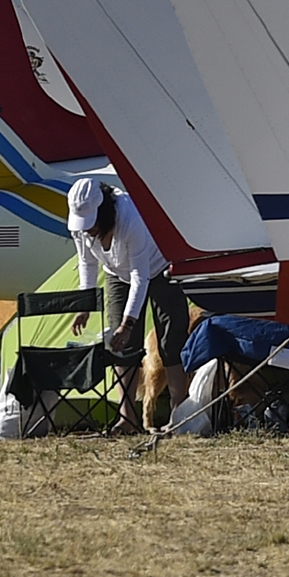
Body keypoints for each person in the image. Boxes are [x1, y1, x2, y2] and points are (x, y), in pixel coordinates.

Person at [69, 174, 189, 431]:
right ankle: (127, 419)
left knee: (171, 339)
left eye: (91, 223)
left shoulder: (130, 218)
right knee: (122, 347)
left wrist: (129, 323)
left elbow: (140, 277)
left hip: (159, 267)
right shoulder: (79, 228)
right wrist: (85, 305)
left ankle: (180, 415)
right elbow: (86, 263)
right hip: (116, 274)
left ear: (103, 211)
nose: (87, 229)